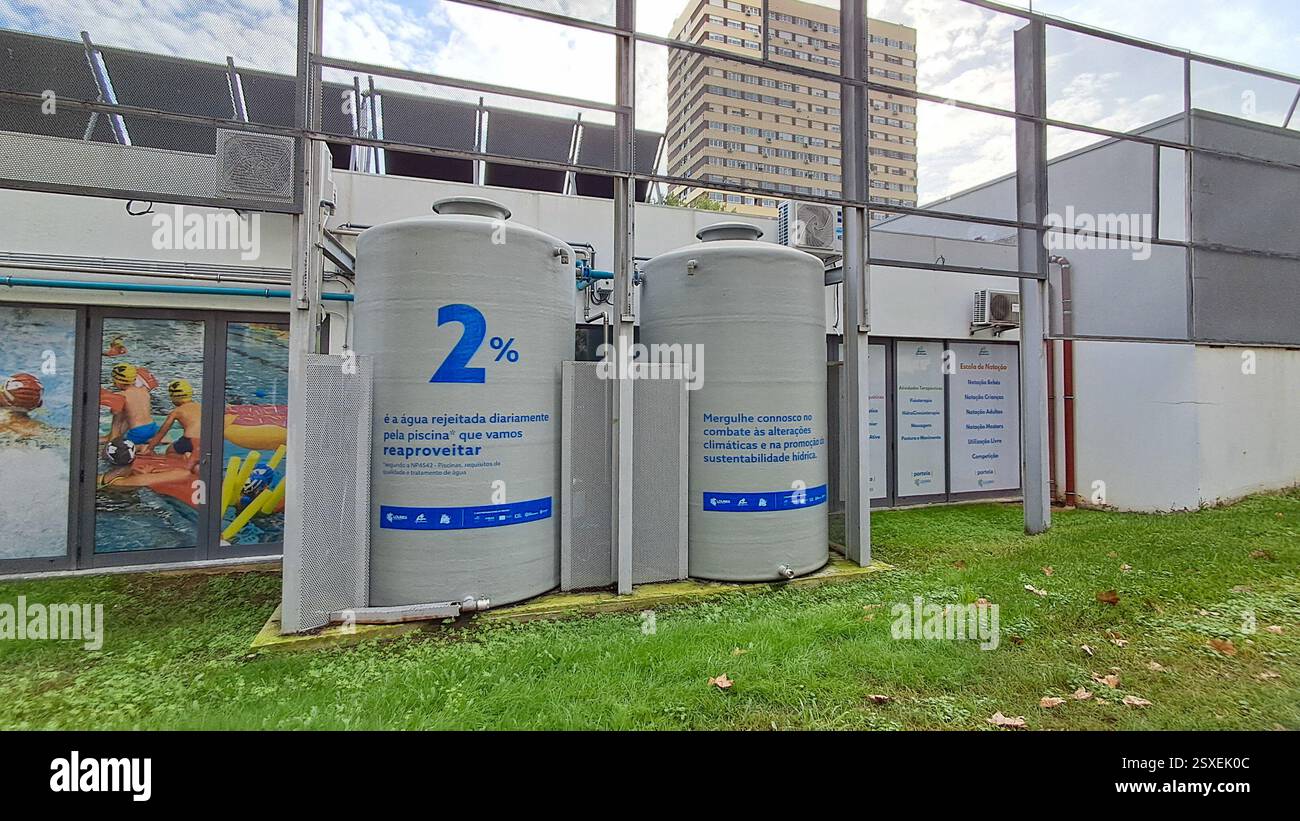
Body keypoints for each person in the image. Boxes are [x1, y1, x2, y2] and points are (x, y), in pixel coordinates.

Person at [97, 437, 195, 491]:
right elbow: (184, 474)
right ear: (135, 457)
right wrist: (147, 475)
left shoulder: (98, 478)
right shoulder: (133, 481)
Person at [142, 379, 201, 461]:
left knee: (170, 452)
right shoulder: (201, 406)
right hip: (205, 440)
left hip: (189, 440)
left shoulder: (176, 411)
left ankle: (185, 456)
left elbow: (162, 431)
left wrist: (149, 449)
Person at [105, 363, 158, 447]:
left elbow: (115, 414)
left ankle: (139, 447)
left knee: (117, 425)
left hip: (138, 432)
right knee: (128, 412)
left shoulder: (121, 395)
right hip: (153, 428)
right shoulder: (144, 390)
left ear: (117, 382)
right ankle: (147, 442)